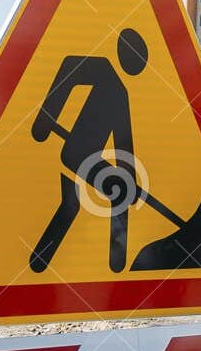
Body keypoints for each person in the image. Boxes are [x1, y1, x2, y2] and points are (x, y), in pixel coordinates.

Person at [29, 28, 149, 274]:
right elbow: (68, 69)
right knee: (113, 194)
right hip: (78, 153)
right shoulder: (103, 69)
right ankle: (117, 260)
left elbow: (123, 143)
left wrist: (131, 178)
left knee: (72, 204)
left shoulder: (121, 92)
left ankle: (39, 263)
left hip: (86, 156)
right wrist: (44, 119)